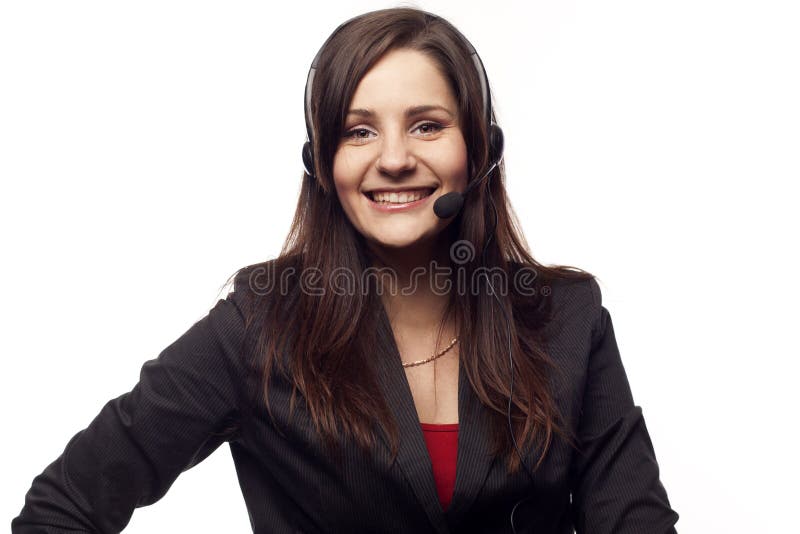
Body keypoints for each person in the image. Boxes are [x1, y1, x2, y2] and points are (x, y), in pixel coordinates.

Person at [11, 7, 679, 534]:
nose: (392, 159)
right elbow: (64, 506)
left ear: (480, 150)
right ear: (321, 164)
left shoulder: (569, 318)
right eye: (359, 131)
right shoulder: (257, 326)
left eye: (426, 125)